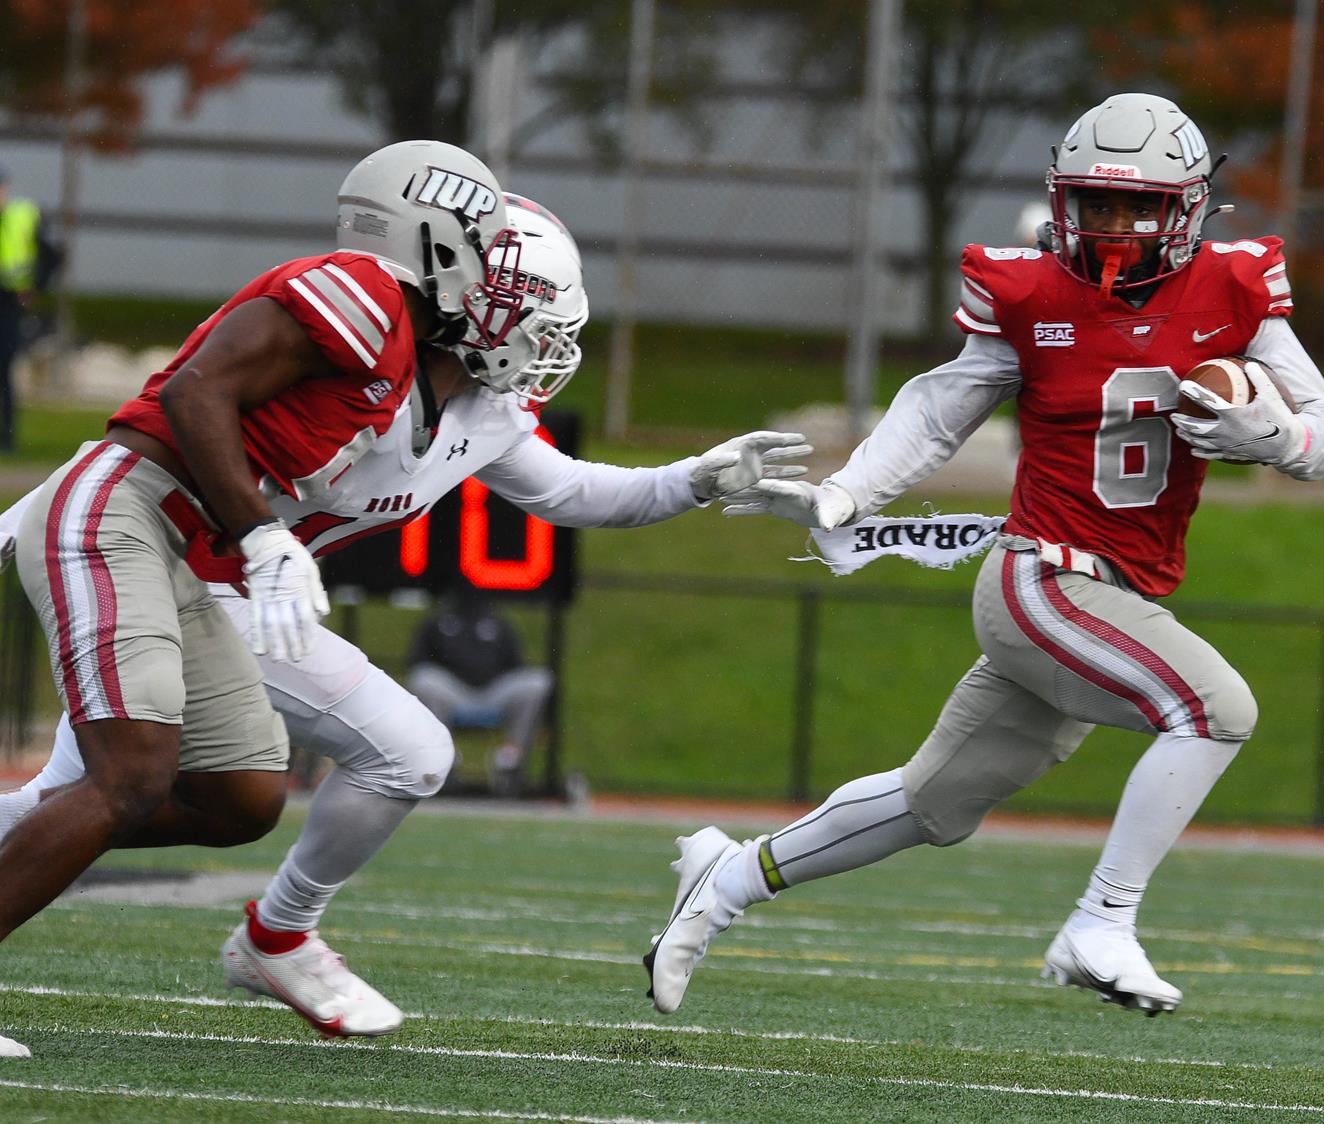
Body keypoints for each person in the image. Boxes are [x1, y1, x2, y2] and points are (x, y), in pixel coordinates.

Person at [0, 194, 810, 1040]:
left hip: (241, 592)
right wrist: (30, 520)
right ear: (484, 303)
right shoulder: (356, 338)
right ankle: (268, 932)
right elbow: (167, 419)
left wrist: (695, 479)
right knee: (115, 788)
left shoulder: (486, 414)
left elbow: (576, 492)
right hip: (166, 552)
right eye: (538, 323)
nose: (547, 347)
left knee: (344, 768)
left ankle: (279, 935)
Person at [644, 92, 1324, 1017]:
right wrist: (843, 494)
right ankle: (1103, 921)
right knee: (1214, 710)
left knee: (932, 804)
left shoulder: (1236, 290)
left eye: (1136, 206)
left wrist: (1275, 437)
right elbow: (937, 412)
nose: (1113, 226)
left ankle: (727, 878)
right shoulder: (1031, 293)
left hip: (1113, 589)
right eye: (1095, 203)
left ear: (1186, 209)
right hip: (1044, 578)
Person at [0, 138, 524, 1058]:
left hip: (175, 549)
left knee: (241, 797)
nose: (487, 270)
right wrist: (261, 535)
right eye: (480, 242)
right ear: (430, 230)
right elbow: (195, 389)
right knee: (131, 775)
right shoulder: (363, 289)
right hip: (124, 510)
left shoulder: (400, 345)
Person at [406, 587, 552, 794]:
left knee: (538, 681)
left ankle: (510, 759)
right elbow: (417, 663)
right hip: (452, 693)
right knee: (424, 679)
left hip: (494, 693)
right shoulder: (435, 623)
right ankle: (444, 756)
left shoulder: (500, 624)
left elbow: (517, 666)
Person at [0, 166, 62, 452]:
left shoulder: (24, 216)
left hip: (9, 302)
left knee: (4, 367)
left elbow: (51, 255)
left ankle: (8, 437)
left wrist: (36, 286)